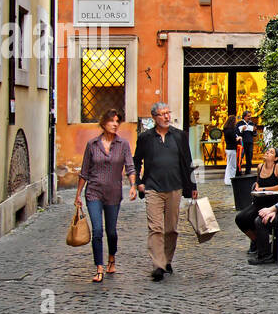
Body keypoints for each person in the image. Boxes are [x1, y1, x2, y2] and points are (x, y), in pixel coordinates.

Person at [134, 102, 198, 281]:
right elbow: (136, 160)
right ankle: (158, 265)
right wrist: (138, 182)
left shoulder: (179, 136)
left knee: (171, 229)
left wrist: (192, 187)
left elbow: (188, 161)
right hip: (153, 188)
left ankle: (167, 260)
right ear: (154, 117)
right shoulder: (146, 138)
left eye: (168, 113)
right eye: (162, 114)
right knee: (155, 228)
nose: (166, 117)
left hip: (175, 187)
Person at [75, 109, 137, 283]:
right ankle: (99, 267)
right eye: (112, 121)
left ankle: (111, 258)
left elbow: (130, 167)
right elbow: (84, 171)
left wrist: (133, 185)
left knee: (111, 232)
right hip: (94, 192)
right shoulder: (92, 144)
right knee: (97, 230)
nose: (115, 124)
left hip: (113, 194)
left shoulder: (123, 144)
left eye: (118, 121)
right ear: (103, 123)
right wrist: (78, 194)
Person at [234, 146, 278, 261]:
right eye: (267, 151)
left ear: (276, 158)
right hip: (258, 202)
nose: (267, 152)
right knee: (240, 218)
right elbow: (258, 182)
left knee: (258, 220)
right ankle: (256, 241)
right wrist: (257, 187)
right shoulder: (260, 167)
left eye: (271, 152)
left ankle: (263, 248)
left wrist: (263, 189)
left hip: (270, 203)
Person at [222, 114, 239, 184]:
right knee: (232, 166)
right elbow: (234, 140)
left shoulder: (226, 129)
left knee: (229, 165)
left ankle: (227, 180)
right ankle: (231, 180)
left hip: (228, 148)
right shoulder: (231, 130)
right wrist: (238, 138)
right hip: (232, 149)